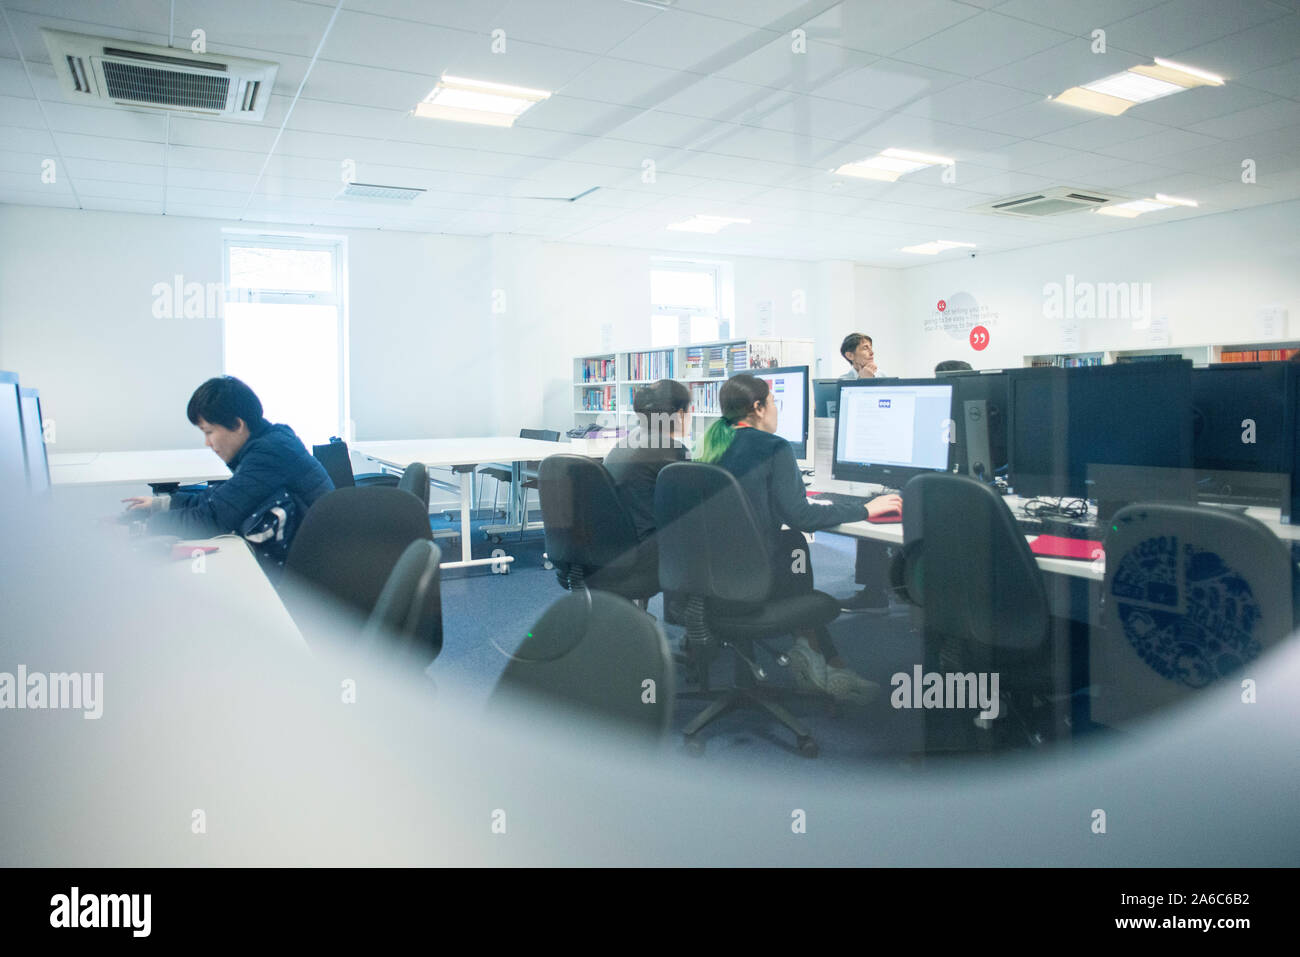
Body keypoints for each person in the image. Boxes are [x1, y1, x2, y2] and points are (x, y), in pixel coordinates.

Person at [694, 374, 900, 702]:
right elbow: (801, 516)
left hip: (705, 581)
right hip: (750, 581)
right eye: (774, 402)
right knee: (793, 548)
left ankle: (820, 655)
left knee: (791, 547)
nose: (777, 410)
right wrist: (865, 509)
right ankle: (819, 658)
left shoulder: (706, 447)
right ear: (758, 408)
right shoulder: (773, 447)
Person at [123, 376, 333, 557]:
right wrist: (161, 504)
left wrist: (142, 528)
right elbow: (218, 500)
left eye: (209, 432)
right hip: (307, 553)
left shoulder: (269, 453)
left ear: (238, 425)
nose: (207, 443)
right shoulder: (269, 442)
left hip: (310, 567)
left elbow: (212, 519)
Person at [603, 379, 690, 541]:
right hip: (647, 544)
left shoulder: (629, 440)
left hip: (616, 541)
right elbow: (692, 502)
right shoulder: (671, 449)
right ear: (679, 414)